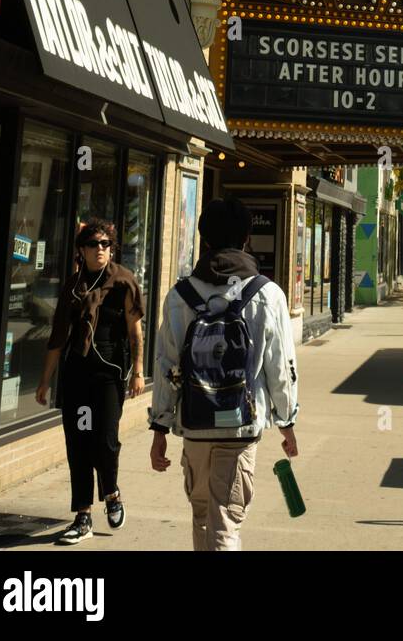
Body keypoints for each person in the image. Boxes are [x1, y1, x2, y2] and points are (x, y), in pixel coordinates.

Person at [148, 197, 299, 551]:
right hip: (240, 425)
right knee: (226, 523)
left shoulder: (179, 296)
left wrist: (159, 427)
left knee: (203, 515)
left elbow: (166, 365)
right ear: (248, 238)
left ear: (204, 239)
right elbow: (281, 368)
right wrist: (287, 422)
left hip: (194, 424)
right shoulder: (268, 294)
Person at [38, 218, 145, 545]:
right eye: (93, 244)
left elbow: (134, 331)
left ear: (111, 248)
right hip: (77, 375)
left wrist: (138, 370)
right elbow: (58, 338)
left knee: (106, 441)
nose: (100, 249)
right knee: (80, 443)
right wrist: (45, 381)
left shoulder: (123, 282)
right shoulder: (73, 287)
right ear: (81, 250)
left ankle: (111, 491)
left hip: (109, 376)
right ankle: (82, 513)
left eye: (105, 244)